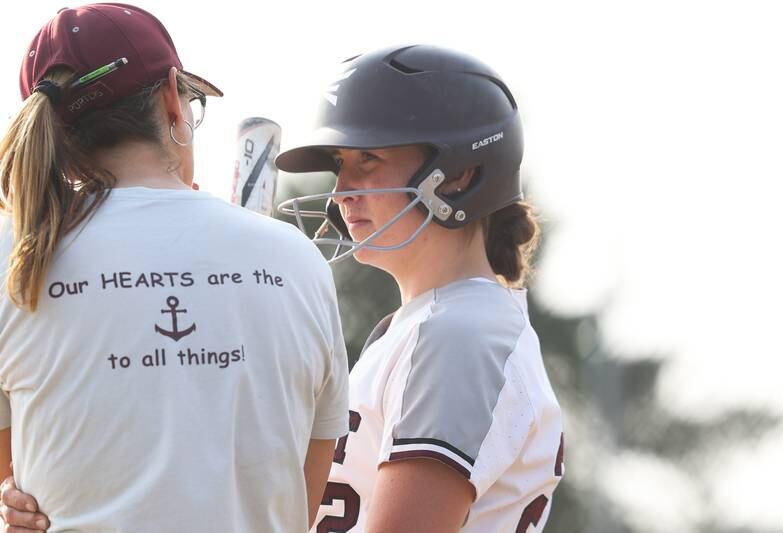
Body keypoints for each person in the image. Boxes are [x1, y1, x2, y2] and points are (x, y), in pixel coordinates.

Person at [0, 3, 348, 532]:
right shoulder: (296, 260)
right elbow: (301, 496)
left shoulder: (14, 260)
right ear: (170, 99)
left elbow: (16, 479)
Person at [275, 45, 565, 532]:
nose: (341, 189)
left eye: (368, 158)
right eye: (340, 162)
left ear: (459, 175)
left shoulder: (459, 333)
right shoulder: (429, 325)